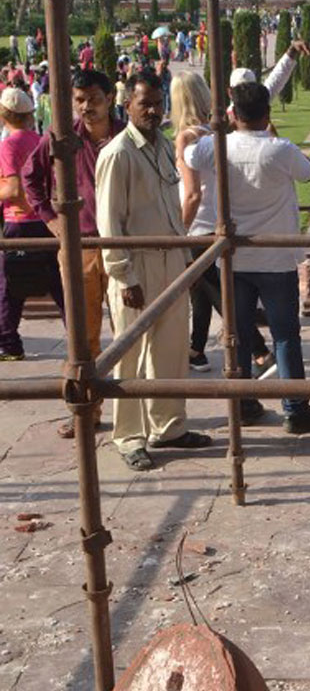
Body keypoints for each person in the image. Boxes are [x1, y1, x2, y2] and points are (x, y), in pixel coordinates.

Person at [185, 80, 310, 435]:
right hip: (274, 258)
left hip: (234, 256)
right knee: (285, 335)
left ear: (233, 113)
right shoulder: (280, 150)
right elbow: (308, 172)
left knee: (238, 334)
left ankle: (243, 402)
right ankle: (294, 407)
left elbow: (188, 154)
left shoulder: (215, 146)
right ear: (267, 113)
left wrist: (206, 130)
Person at [96, 69, 211, 470]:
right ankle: (130, 436)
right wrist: (123, 275)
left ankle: (168, 426)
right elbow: (109, 221)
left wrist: (184, 259)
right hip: (137, 264)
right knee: (130, 354)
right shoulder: (118, 153)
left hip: (170, 259)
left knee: (171, 349)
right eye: (144, 103)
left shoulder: (162, 146)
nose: (152, 110)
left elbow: (173, 207)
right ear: (127, 104)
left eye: (158, 103)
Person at [22, 69, 122, 433]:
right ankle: (87, 410)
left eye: (93, 99)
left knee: (130, 329)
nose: (86, 107)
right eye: (79, 100)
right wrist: (51, 221)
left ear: (110, 98)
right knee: (83, 334)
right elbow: (30, 177)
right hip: (80, 244)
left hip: (123, 244)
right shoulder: (61, 137)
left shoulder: (126, 136)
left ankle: (136, 412)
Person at [171, 69, 271, 373]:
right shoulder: (215, 132)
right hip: (216, 219)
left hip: (197, 226)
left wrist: (177, 232)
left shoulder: (187, 137)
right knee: (202, 290)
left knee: (218, 296)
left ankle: (260, 351)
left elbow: (191, 194)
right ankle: (197, 349)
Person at [0, 86, 65, 361]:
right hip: (44, 218)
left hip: (19, 220)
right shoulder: (38, 140)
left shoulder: (9, 145)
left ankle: (9, 342)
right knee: (58, 282)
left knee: (9, 285)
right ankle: (81, 336)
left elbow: (14, 189)